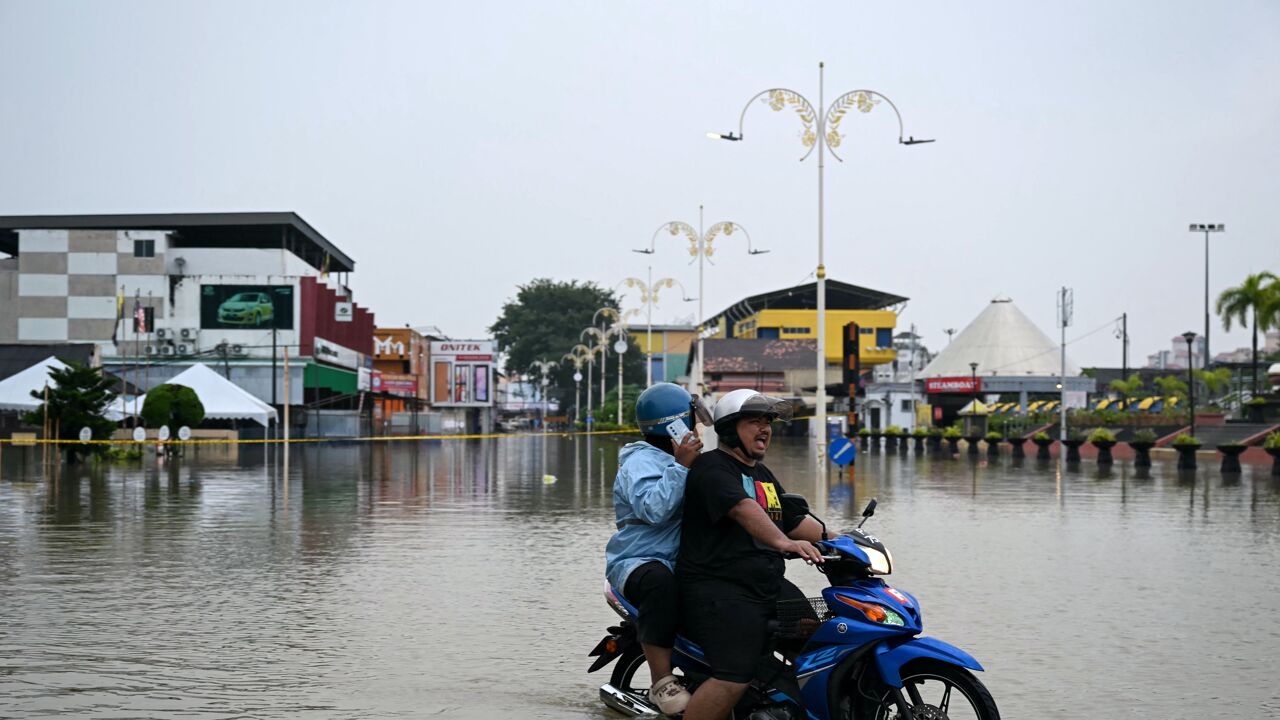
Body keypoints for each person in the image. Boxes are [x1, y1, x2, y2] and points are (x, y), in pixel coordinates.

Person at [677, 389, 829, 720]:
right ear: (730, 428)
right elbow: (744, 509)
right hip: (721, 589)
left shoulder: (761, 474)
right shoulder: (712, 468)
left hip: (766, 585)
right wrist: (783, 543)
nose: (765, 429)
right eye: (754, 421)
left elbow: (794, 519)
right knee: (734, 675)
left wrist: (842, 541)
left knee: (820, 639)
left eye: (768, 422)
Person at [604, 382, 704, 715]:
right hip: (638, 562)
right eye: (691, 420)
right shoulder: (640, 462)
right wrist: (681, 466)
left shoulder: (687, 461)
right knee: (660, 584)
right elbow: (654, 509)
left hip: (682, 561)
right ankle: (662, 681)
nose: (697, 426)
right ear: (676, 424)